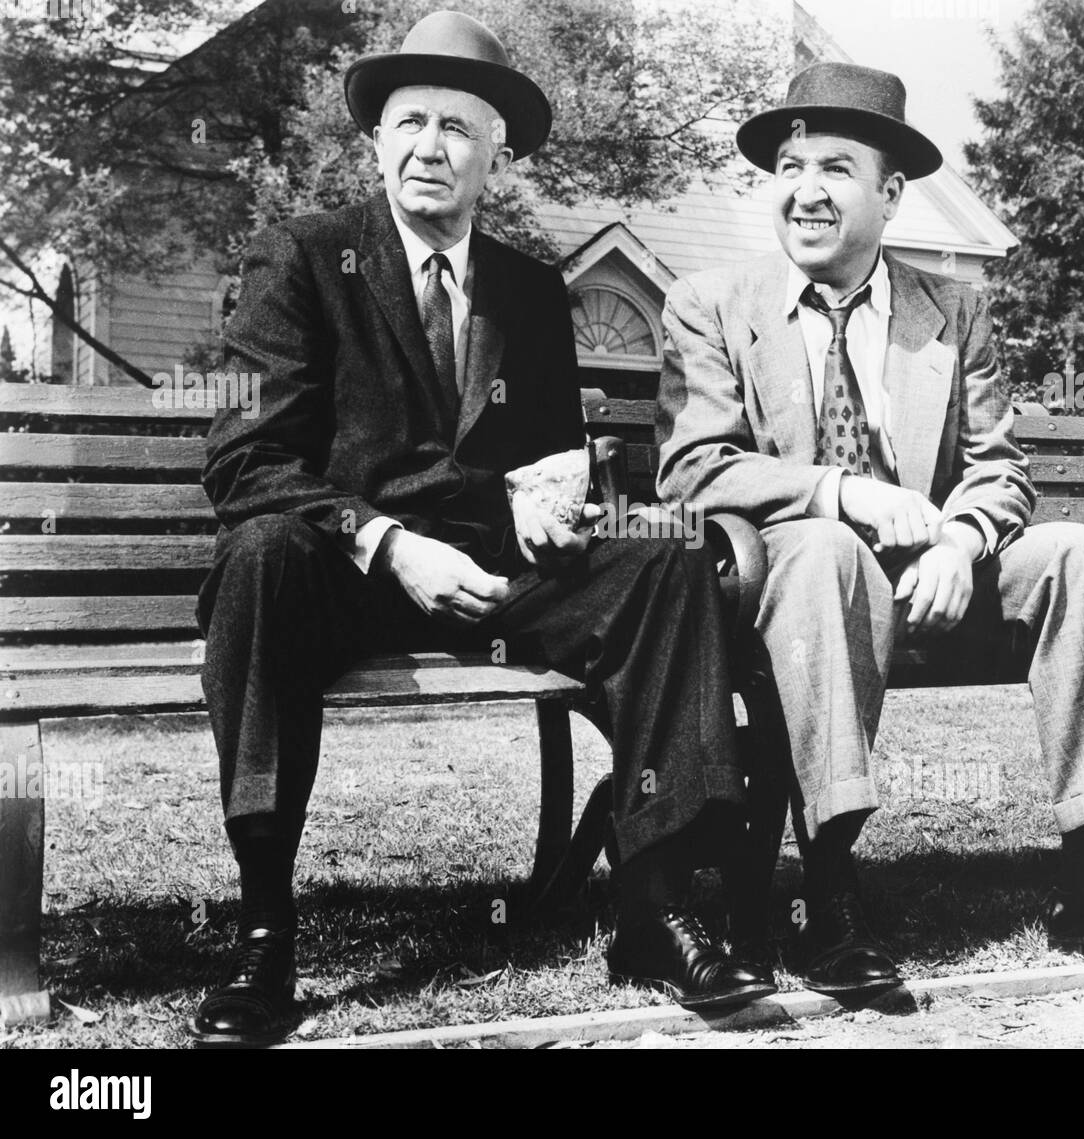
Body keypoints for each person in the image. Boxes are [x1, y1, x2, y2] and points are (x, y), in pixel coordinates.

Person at [193, 10, 775, 1046]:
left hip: (495, 578)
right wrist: (391, 538)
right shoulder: (301, 257)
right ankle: (263, 931)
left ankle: (654, 901)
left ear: (494, 150)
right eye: (410, 122)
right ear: (375, 140)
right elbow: (247, 460)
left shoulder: (530, 288)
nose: (430, 146)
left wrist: (570, 489)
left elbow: (541, 468)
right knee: (261, 551)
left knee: (671, 547)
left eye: (458, 128)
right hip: (344, 572)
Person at [655, 61, 1084, 998]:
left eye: (836, 167)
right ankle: (831, 889)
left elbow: (999, 467)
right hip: (792, 584)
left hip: (934, 578)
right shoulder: (712, 305)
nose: (805, 189)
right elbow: (691, 469)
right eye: (791, 165)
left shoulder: (951, 309)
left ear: (892, 192)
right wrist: (842, 492)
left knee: (1080, 553)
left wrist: (961, 540)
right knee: (831, 549)